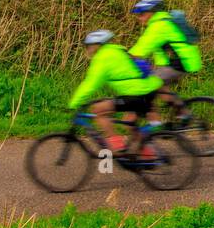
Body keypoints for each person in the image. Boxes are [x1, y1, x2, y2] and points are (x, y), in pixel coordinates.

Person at [69, 29, 163, 158]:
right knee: (129, 122)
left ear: (97, 45)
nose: (87, 49)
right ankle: (149, 157)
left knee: (99, 110)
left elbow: (90, 84)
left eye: (88, 46)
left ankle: (117, 145)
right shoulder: (118, 50)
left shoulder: (102, 58)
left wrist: (74, 103)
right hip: (149, 89)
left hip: (136, 93)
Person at [127, 0, 202, 109]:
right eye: (138, 15)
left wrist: (124, 58)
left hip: (182, 62)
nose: (139, 18)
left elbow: (141, 49)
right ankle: (179, 115)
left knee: (150, 83)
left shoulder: (158, 26)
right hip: (185, 60)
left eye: (142, 14)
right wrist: (157, 67)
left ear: (151, 13)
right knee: (161, 88)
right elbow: (159, 50)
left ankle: (181, 115)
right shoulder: (164, 21)